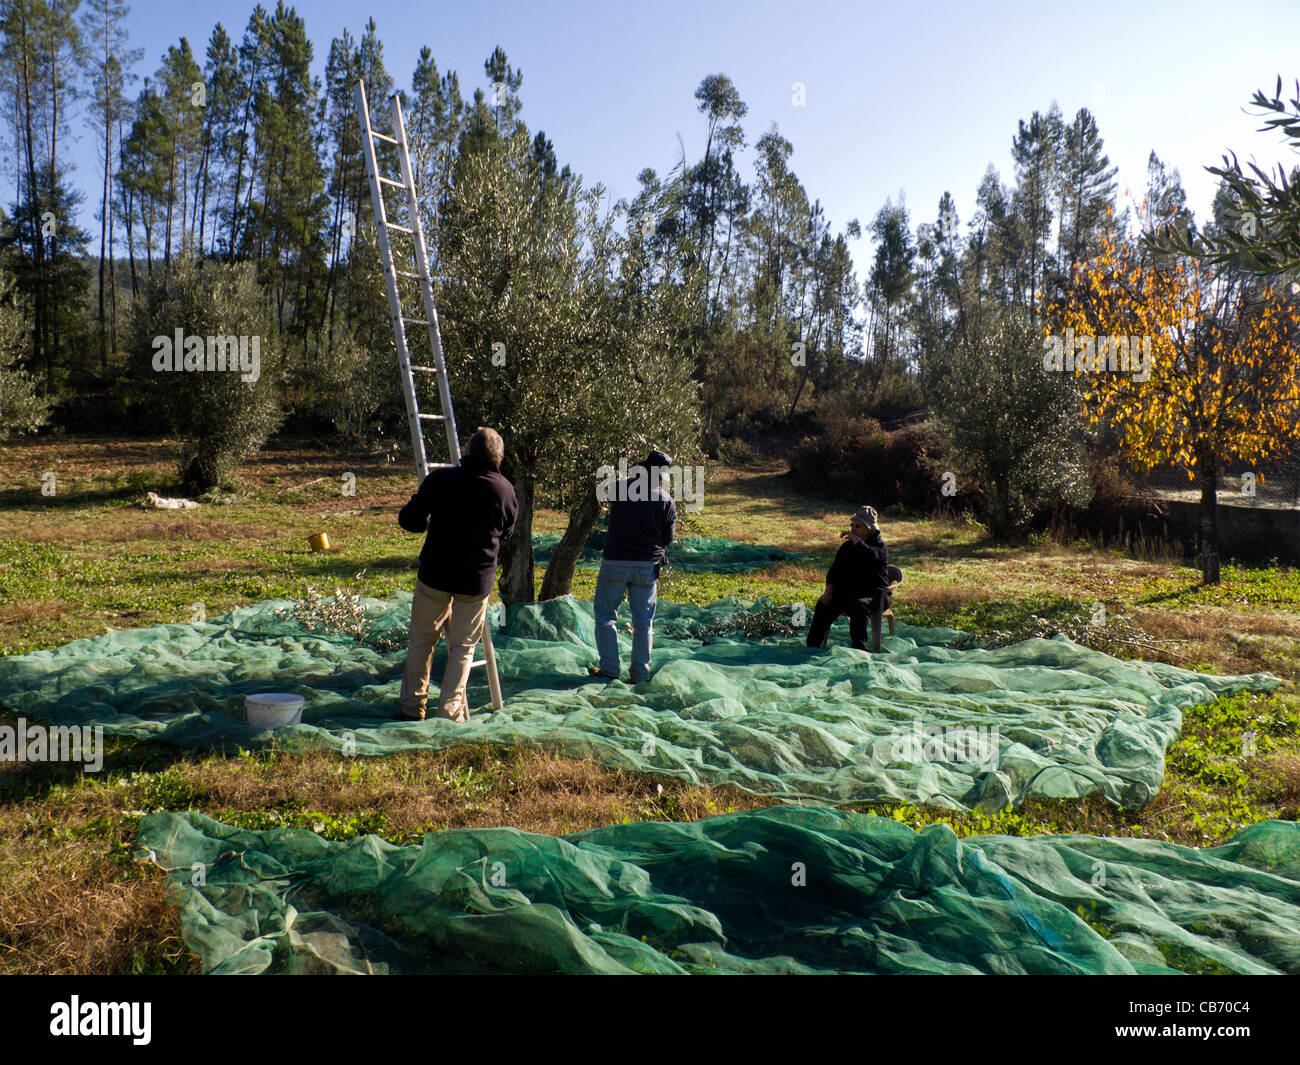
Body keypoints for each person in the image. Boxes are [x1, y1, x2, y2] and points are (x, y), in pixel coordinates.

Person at [397, 427, 517, 722]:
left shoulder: (441, 479)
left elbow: (408, 519)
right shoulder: (504, 489)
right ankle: (449, 714)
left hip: (436, 575)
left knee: (422, 641)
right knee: (463, 648)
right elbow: (508, 530)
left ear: (467, 451)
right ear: (497, 457)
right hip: (475, 582)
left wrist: (425, 523)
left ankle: (412, 708)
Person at [591, 449, 677, 683]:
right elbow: (667, 539)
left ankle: (609, 668)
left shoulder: (619, 489)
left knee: (605, 615)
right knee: (643, 622)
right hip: (646, 566)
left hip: (615, 561)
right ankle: (640, 673)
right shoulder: (666, 501)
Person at [806, 505, 890, 652]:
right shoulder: (847, 547)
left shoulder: (879, 546)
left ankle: (859, 649)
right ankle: (812, 646)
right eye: (852, 525)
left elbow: (872, 557)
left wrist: (857, 542)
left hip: (875, 595)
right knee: (824, 604)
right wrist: (828, 591)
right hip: (851, 592)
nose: (853, 529)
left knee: (859, 606)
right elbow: (834, 571)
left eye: (857, 526)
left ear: (868, 529)